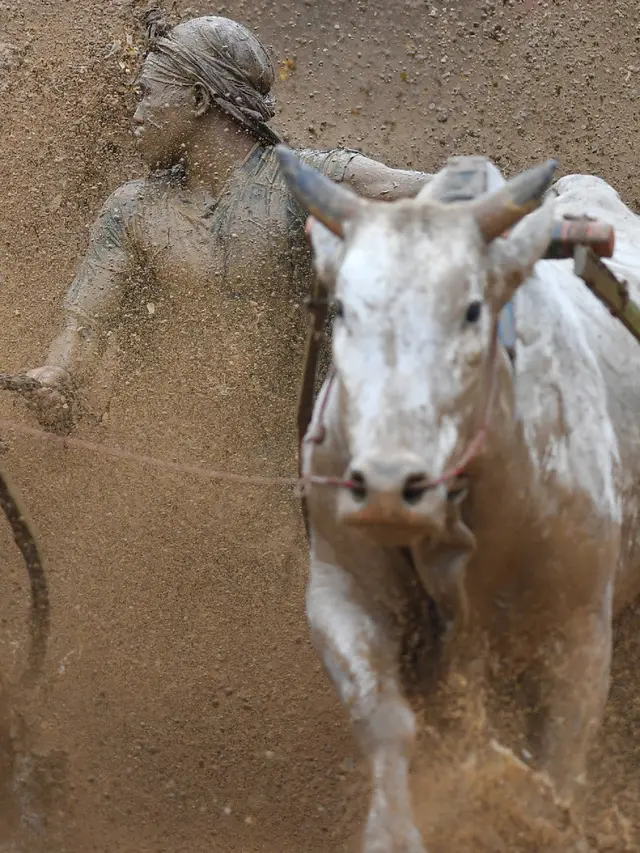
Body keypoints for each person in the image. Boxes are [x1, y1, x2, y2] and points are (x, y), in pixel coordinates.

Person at [24, 11, 432, 432]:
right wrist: (57, 375)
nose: (137, 114)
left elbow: (435, 193)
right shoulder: (132, 209)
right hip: (171, 441)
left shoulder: (309, 181)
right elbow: (84, 330)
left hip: (306, 449)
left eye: (147, 94)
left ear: (198, 100)